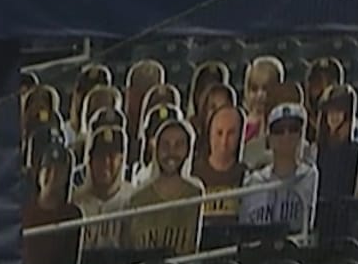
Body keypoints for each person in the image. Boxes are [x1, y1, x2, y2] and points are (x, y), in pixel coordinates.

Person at [125, 117, 205, 255]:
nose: (171, 152)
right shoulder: (137, 198)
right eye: (165, 145)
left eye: (179, 145)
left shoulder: (195, 193)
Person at [240, 103, 319, 241]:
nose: (286, 135)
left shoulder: (311, 176)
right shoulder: (253, 182)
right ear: (269, 138)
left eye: (293, 129)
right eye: (279, 130)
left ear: (301, 134)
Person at [71, 126, 131, 251]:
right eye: (100, 155)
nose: (106, 162)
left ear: (121, 160)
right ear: (90, 160)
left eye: (111, 156)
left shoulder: (133, 200)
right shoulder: (75, 202)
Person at [192, 105, 247, 226]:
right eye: (219, 133)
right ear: (210, 133)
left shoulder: (246, 176)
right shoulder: (193, 175)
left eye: (231, 133)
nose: (224, 141)